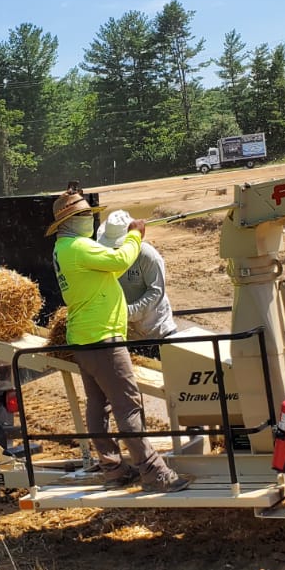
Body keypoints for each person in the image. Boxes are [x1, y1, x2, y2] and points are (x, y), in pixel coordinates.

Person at [48, 189, 190, 493]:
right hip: (103, 339)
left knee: (98, 406)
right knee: (128, 405)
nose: (90, 220)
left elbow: (113, 267)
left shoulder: (64, 248)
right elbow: (119, 259)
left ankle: (112, 468)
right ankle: (153, 471)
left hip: (84, 338)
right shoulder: (78, 247)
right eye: (86, 216)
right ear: (72, 221)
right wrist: (135, 235)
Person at [94, 210, 177, 346]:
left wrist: (128, 312)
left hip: (157, 331)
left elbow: (156, 292)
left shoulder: (148, 256)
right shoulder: (107, 258)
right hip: (130, 335)